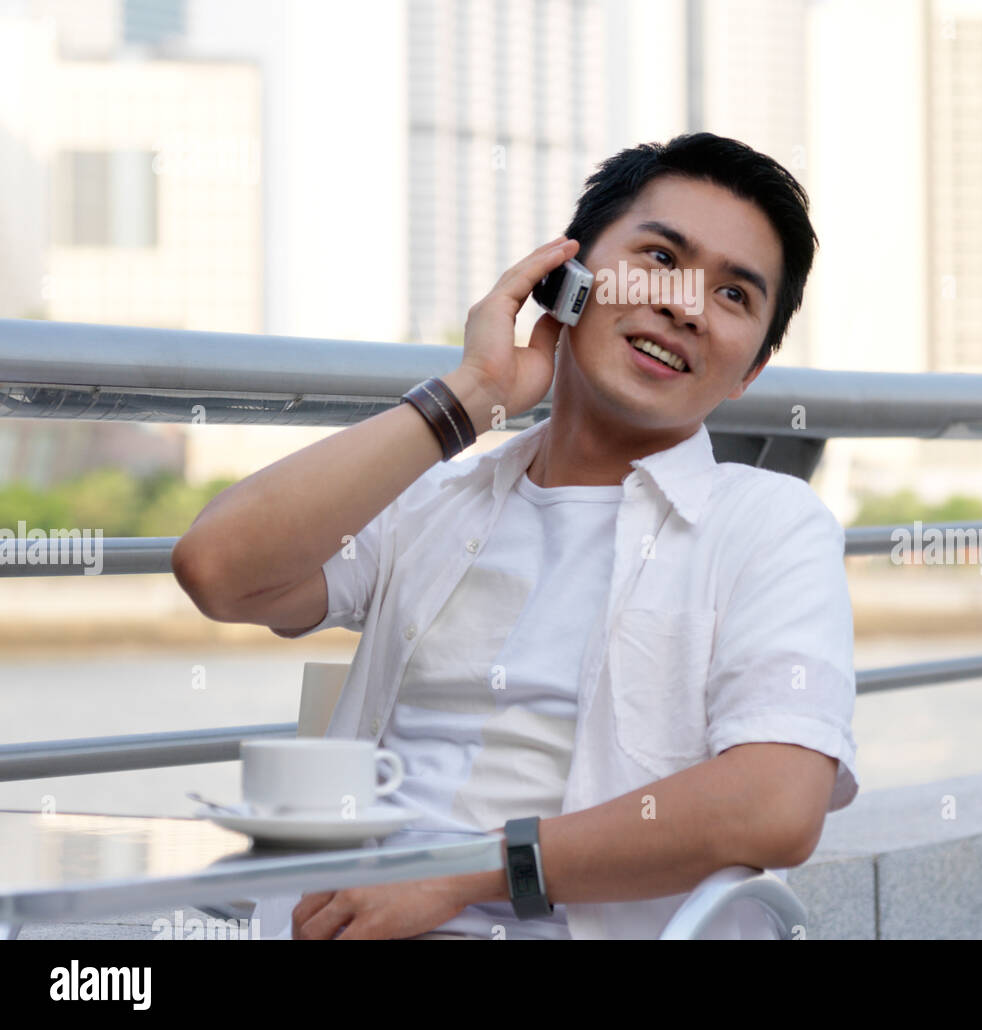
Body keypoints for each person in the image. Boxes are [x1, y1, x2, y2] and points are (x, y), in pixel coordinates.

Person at [173, 132, 859, 939]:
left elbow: (775, 805)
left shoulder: (770, 527)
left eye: (735, 296)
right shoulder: (437, 499)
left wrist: (465, 874)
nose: (685, 305)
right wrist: (472, 396)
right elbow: (218, 568)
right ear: (563, 279)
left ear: (750, 372)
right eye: (658, 258)